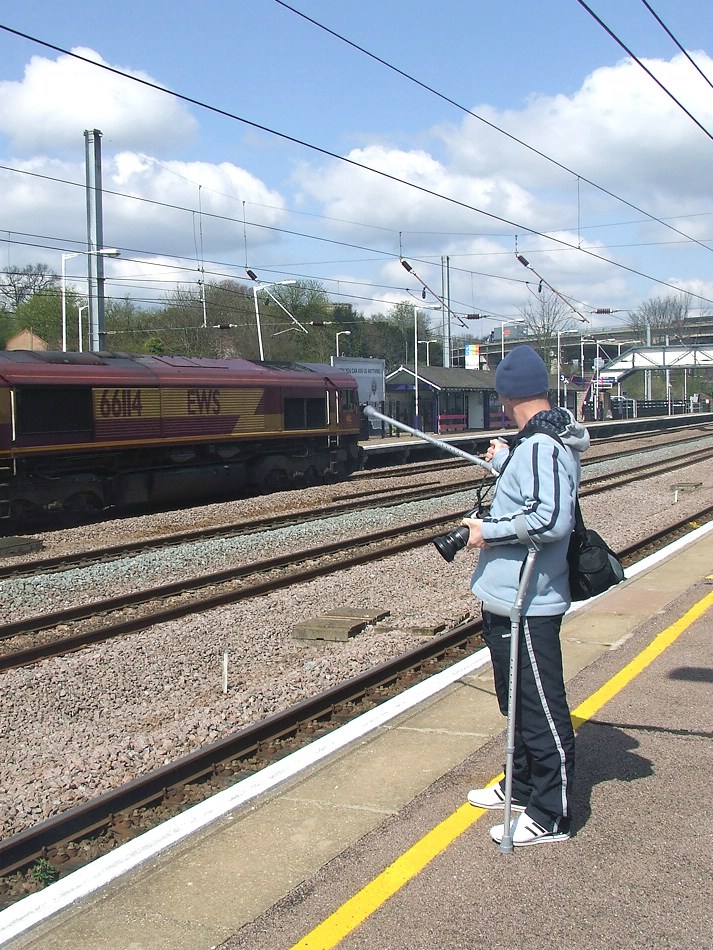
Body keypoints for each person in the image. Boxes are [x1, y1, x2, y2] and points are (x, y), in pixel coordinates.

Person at [462, 344, 590, 847]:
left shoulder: (541, 446)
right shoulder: (536, 443)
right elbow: (531, 492)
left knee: (540, 708)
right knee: (516, 702)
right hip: (508, 596)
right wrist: (505, 462)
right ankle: (520, 783)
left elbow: (550, 520)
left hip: (528, 601)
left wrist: (486, 532)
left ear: (505, 396)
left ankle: (551, 813)